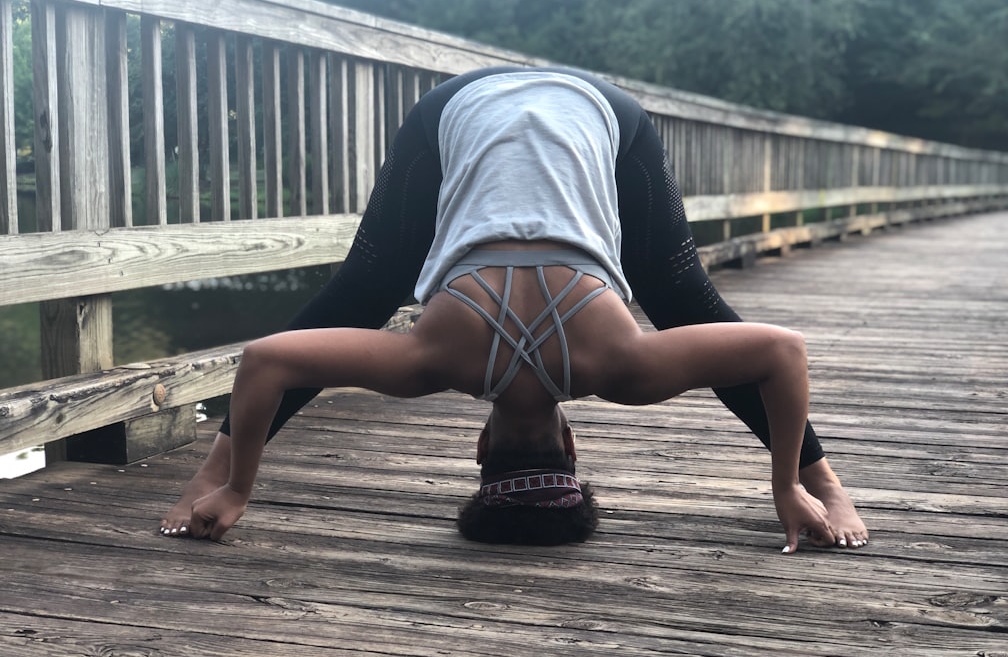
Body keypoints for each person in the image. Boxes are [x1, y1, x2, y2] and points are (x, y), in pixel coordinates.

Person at [159, 67, 869, 553]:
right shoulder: (433, 361)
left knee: (684, 303)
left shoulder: (620, 368)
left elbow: (780, 352)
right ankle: (824, 487)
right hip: (456, 107)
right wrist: (235, 487)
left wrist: (782, 487)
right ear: (479, 450)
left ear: (570, 446)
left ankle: (823, 487)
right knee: (366, 291)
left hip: (600, 109)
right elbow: (268, 362)